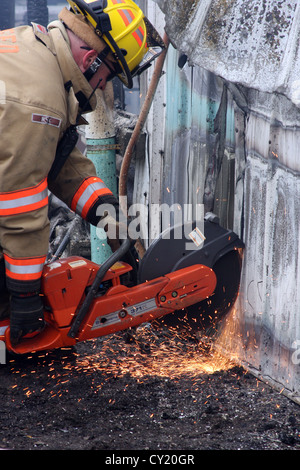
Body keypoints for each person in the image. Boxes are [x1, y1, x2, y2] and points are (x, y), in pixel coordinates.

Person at [0, 0, 165, 345]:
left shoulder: (35, 50)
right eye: (108, 78)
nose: (103, 88)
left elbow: (58, 161)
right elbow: (20, 209)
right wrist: (25, 297)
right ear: (91, 62)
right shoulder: (39, 101)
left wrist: (109, 214)